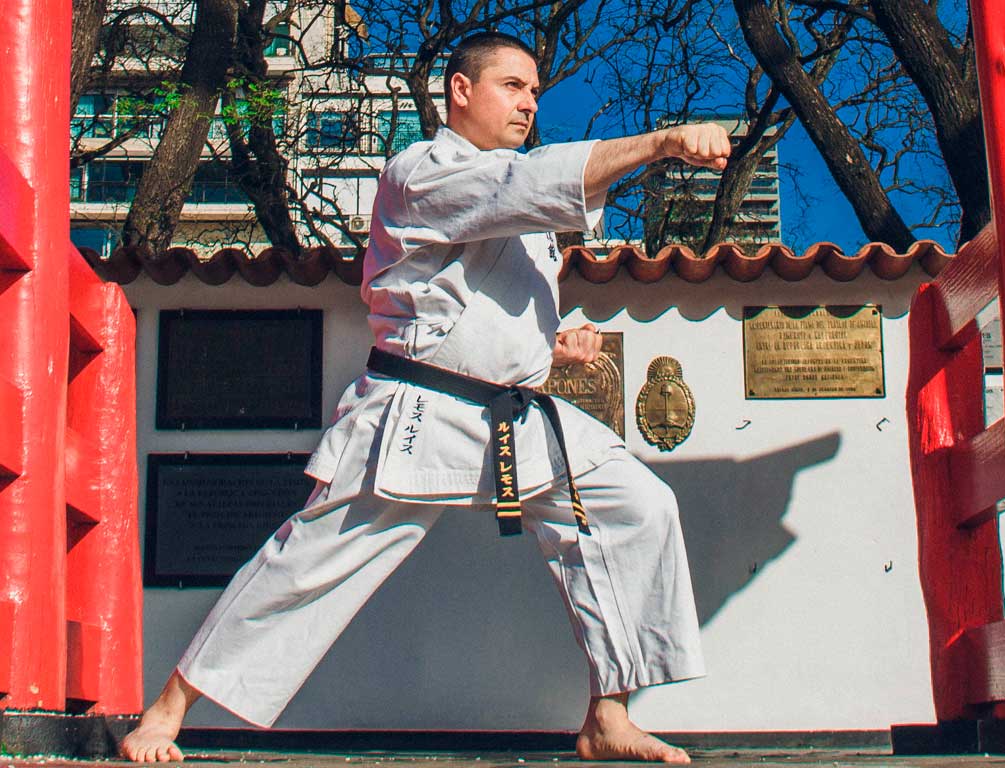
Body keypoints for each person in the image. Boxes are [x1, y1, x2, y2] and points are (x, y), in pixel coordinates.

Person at [121, 31, 730, 765]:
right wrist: (662, 141)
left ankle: (608, 715)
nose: (529, 103)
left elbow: (487, 295)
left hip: (515, 417)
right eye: (512, 85)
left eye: (535, 91)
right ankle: (167, 711)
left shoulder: (504, 182)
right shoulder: (424, 170)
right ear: (459, 92)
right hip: (418, 412)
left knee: (637, 506)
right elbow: (527, 187)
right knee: (307, 562)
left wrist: (548, 346)